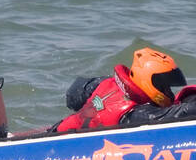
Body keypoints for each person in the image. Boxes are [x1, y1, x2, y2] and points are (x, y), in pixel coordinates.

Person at [52, 47, 186, 132]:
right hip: (65, 144)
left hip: (60, 127)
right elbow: (167, 116)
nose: (169, 92)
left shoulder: (106, 82)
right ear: (148, 80)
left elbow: (73, 94)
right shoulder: (132, 113)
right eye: (165, 86)